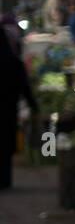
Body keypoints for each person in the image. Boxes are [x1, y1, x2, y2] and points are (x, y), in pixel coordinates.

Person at [1, 31, 37, 190]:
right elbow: (24, 87)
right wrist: (33, 105)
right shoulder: (14, 62)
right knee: (6, 145)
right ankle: (5, 180)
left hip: (9, 109)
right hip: (8, 110)